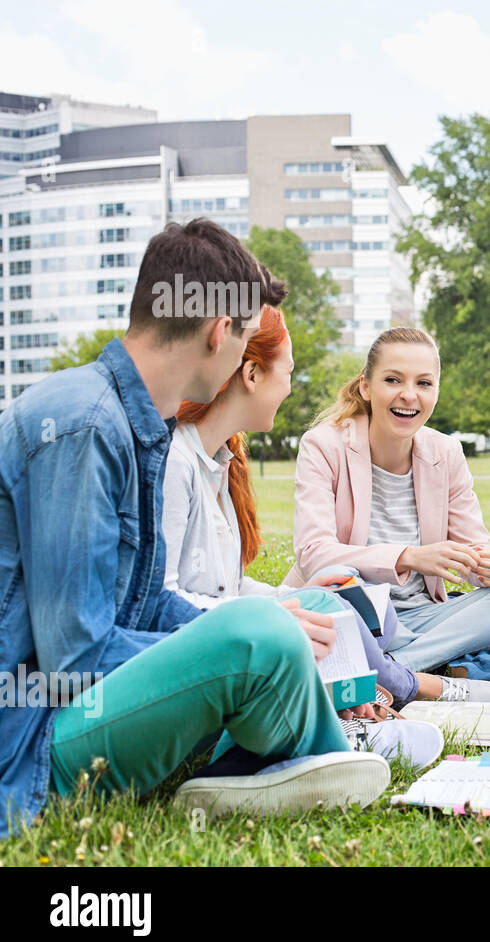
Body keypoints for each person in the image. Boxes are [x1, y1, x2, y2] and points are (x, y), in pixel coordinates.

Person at [0, 219, 388, 840]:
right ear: (218, 332)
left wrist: (252, 630)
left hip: (77, 714)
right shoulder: (83, 424)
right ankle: (308, 759)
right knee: (256, 630)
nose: (244, 355)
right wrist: (236, 643)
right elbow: (77, 658)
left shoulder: (137, 427)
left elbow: (146, 601)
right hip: (34, 744)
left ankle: (282, 759)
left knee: (280, 619)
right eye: (245, 337)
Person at [158, 305, 444, 765]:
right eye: (287, 372)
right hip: (186, 664)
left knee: (324, 600)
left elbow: (222, 588)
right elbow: (158, 603)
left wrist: (290, 596)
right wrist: (277, 614)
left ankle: (344, 716)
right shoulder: (175, 464)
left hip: (225, 646)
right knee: (306, 613)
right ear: (252, 373)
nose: (289, 388)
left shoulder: (219, 465)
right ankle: (319, 733)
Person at [288, 326, 490, 678]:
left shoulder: (446, 452)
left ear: (436, 391)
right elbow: (314, 553)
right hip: (355, 612)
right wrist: (409, 557)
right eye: (393, 380)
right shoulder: (323, 445)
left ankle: (398, 668)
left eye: (423, 383)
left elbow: (473, 555)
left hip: (425, 618)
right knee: (341, 579)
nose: (409, 395)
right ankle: (427, 659)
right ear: (366, 386)